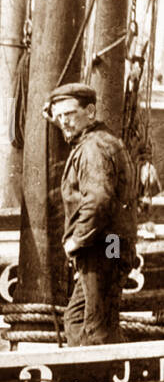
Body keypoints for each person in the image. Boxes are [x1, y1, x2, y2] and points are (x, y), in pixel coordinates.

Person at [47, 82, 137, 346]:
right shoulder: (104, 140)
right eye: (59, 116)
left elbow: (98, 200)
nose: (64, 122)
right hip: (112, 244)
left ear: (91, 112)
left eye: (70, 114)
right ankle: (91, 378)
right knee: (80, 318)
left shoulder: (92, 149)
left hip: (101, 246)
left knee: (96, 325)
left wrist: (76, 239)